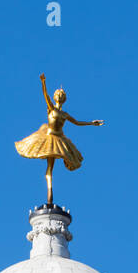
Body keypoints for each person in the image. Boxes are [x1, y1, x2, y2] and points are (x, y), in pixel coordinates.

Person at [15, 73, 103, 206]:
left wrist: (92, 123)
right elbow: (45, 95)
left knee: (52, 166)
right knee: (49, 167)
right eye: (58, 95)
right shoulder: (51, 108)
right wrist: (43, 82)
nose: (60, 97)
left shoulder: (65, 114)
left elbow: (77, 122)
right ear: (56, 97)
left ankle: (50, 192)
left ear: (64, 99)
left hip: (59, 139)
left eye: (62, 96)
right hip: (49, 138)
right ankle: (49, 192)